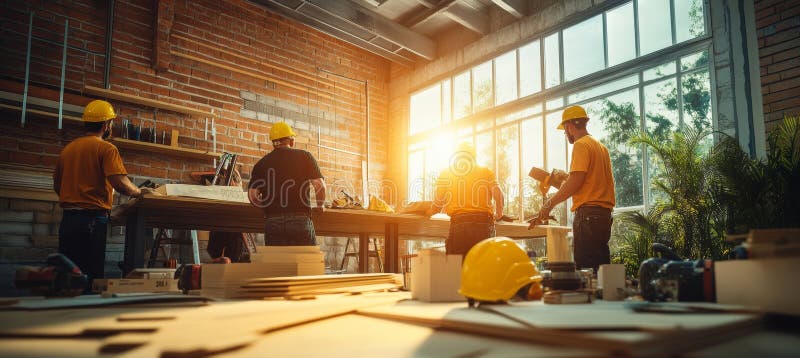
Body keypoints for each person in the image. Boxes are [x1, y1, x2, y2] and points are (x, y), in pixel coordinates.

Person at [53, 99, 153, 287]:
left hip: (68, 220)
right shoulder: (107, 148)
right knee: (90, 277)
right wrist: (140, 192)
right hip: (92, 221)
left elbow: (58, 186)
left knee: (68, 276)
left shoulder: (68, 149)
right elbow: (120, 183)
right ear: (106, 125)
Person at [530, 105, 615, 272]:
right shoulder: (600, 147)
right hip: (603, 215)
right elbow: (589, 180)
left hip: (588, 216)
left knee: (586, 269)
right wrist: (566, 177)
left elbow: (576, 181)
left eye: (564, 130)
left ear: (569, 126)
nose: (565, 134)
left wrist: (549, 204)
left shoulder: (580, 144)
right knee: (601, 269)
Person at [248, 122, 326, 246]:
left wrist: (269, 208)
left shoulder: (261, 164)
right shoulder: (304, 157)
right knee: (305, 258)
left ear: (273, 143)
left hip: (273, 221)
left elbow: (252, 196)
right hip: (300, 219)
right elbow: (319, 185)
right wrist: (320, 205)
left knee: (278, 258)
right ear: (291, 141)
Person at [426, 142, 504, 257]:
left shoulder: (447, 173)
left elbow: (438, 203)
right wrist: (499, 212)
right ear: (474, 157)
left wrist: (428, 212)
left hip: (460, 224)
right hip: (484, 224)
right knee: (484, 264)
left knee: (458, 266)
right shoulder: (485, 172)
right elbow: (499, 194)